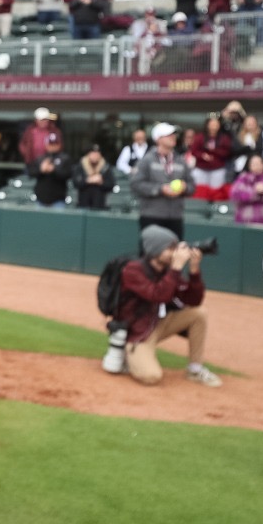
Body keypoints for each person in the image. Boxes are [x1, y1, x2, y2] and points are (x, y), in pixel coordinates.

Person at [107, 226, 220, 387]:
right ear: (155, 250)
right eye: (170, 248)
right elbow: (158, 295)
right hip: (138, 333)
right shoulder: (133, 270)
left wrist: (194, 270)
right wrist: (175, 269)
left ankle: (195, 370)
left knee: (198, 313)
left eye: (175, 247)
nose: (175, 253)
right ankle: (127, 355)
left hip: (159, 323)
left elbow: (193, 301)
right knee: (151, 376)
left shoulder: (168, 270)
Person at [130, 122, 194, 244]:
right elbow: (136, 184)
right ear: (158, 139)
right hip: (152, 216)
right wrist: (161, 189)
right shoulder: (147, 160)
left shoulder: (180, 160)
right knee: (150, 256)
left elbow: (192, 186)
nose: (173, 137)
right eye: (168, 135)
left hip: (175, 216)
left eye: (173, 134)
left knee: (175, 255)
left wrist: (184, 188)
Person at [187, 114, 236, 201]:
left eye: (216, 124)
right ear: (207, 125)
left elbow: (227, 152)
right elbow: (194, 151)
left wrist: (213, 151)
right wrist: (203, 156)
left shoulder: (224, 138)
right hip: (201, 168)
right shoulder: (200, 137)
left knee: (216, 191)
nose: (214, 126)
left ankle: (215, 210)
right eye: (212, 124)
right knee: (200, 190)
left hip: (217, 168)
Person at [230, 153, 263, 224]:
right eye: (254, 163)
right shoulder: (242, 179)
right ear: (249, 165)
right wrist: (255, 192)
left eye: (260, 163)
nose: (257, 166)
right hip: (245, 222)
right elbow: (235, 196)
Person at [33, 139, 73, 207]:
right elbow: (31, 172)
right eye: (50, 144)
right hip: (41, 198)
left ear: (59, 145)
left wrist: (54, 170)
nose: (52, 146)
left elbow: (68, 174)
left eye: (55, 144)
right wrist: (41, 170)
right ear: (46, 145)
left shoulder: (65, 158)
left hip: (58, 199)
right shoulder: (40, 158)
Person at [75, 144, 112, 209]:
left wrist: (101, 182)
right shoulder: (81, 166)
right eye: (93, 153)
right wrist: (88, 180)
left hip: (100, 206)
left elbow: (111, 185)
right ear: (88, 154)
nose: (95, 156)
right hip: (83, 205)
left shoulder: (105, 167)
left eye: (97, 154)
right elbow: (76, 183)